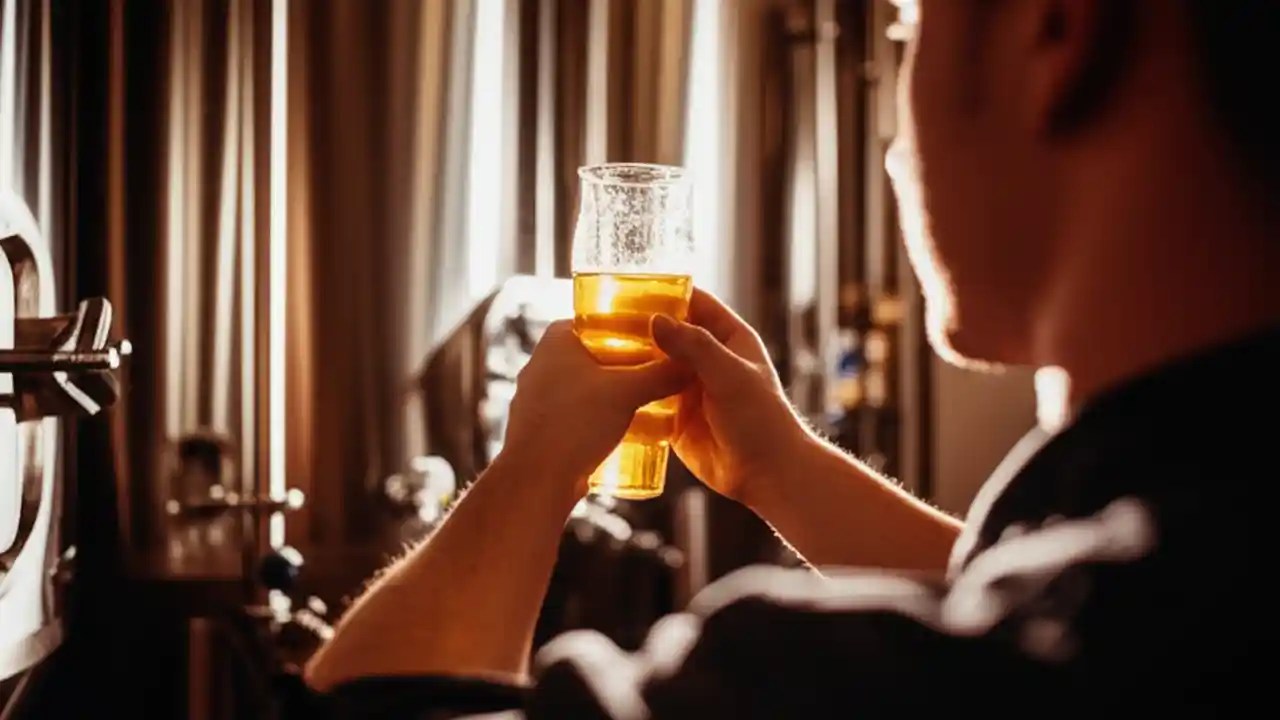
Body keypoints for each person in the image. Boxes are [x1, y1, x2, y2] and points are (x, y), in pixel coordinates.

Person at [299, 0, 1276, 715]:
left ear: (1048, 29)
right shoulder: (1212, 552)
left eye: (902, 32)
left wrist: (529, 473)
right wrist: (780, 471)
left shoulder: (810, 691)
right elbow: (1039, 589)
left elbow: (386, 706)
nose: (895, 147)